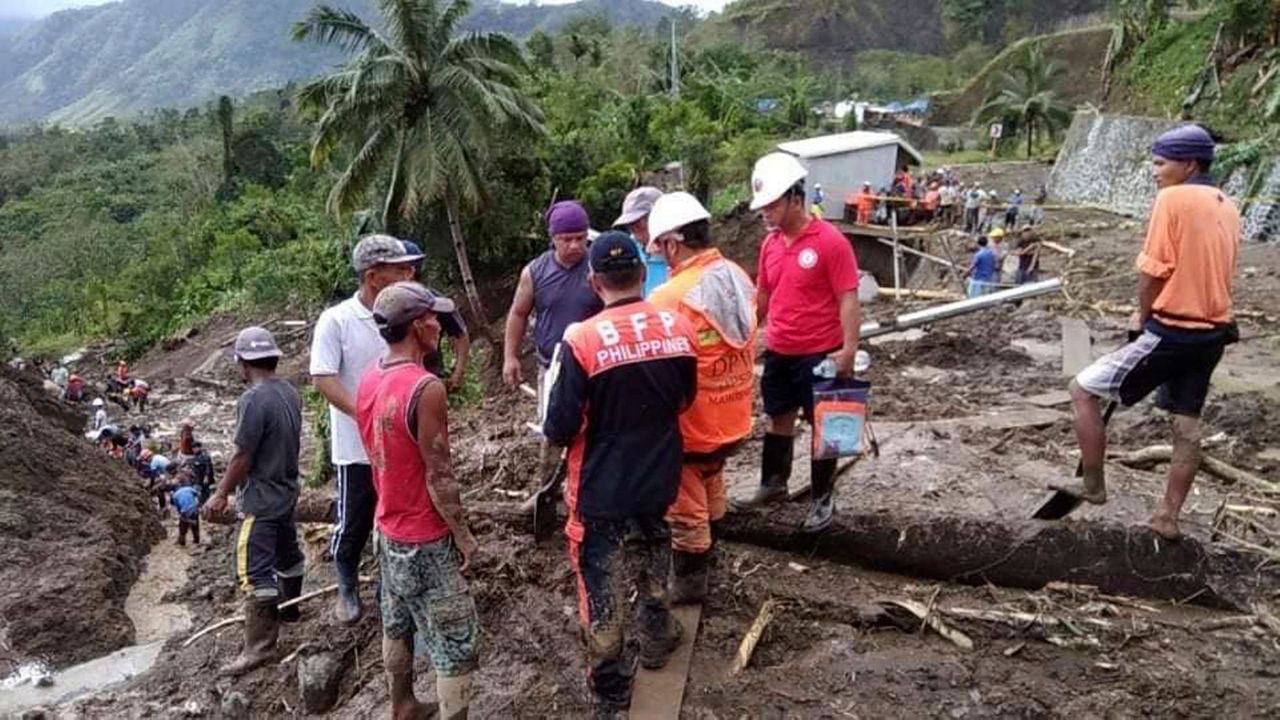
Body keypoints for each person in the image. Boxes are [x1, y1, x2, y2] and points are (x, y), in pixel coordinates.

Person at [542, 232, 698, 716]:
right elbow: (685, 400)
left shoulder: (582, 340)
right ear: (639, 273)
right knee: (654, 542)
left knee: (599, 579)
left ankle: (610, 687)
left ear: (594, 281)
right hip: (659, 470)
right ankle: (656, 631)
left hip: (601, 484)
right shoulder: (678, 327)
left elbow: (560, 426)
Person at [1061, 125, 1240, 540]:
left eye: (1161, 163)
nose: (1154, 171)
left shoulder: (1172, 199)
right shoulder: (1227, 204)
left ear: (1189, 164)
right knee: (1186, 425)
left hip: (1173, 328)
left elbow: (1153, 270)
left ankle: (1092, 485)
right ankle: (1167, 516)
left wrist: (1141, 317)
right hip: (1213, 332)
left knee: (1082, 390)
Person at [356, 282, 482, 719]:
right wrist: (464, 537)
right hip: (424, 538)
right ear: (415, 327)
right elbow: (440, 474)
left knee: (397, 620)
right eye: (432, 318)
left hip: (386, 529)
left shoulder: (370, 377)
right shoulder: (425, 388)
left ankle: (402, 704)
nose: (439, 326)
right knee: (456, 638)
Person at [738, 152, 862, 534]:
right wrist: (745, 335)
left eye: (771, 204)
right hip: (780, 349)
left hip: (820, 351)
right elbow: (764, 295)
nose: (765, 213)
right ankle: (773, 482)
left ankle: (823, 499)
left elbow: (848, 296)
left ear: (795, 198)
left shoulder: (830, 242)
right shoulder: (771, 245)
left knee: (830, 426)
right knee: (778, 417)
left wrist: (849, 349)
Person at [646, 192, 757, 603]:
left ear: (672, 244)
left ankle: (691, 582)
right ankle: (716, 541)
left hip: (691, 427)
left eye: (661, 248)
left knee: (685, 505)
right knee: (712, 480)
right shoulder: (738, 276)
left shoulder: (669, 298)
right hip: (734, 416)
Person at [310, 234, 423, 624]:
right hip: (357, 444)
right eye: (401, 269)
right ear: (374, 277)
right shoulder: (338, 320)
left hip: (400, 441)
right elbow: (323, 377)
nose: (410, 274)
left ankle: (390, 584)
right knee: (354, 517)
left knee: (396, 513)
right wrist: (366, 413)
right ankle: (346, 583)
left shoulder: (406, 315)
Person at [203, 326, 306, 675]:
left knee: (254, 572)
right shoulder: (289, 392)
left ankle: (259, 647)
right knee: (289, 555)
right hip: (287, 492)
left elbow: (243, 455)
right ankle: (291, 608)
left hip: (260, 501)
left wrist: (220, 494)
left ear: (242, 364)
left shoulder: (252, 399)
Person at [502, 200, 604, 474]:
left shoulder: (598, 267)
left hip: (595, 365)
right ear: (553, 238)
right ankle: (548, 489)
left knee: (598, 429)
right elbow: (518, 313)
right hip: (553, 368)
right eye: (566, 239)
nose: (574, 246)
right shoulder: (535, 272)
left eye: (580, 238)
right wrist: (510, 356)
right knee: (553, 429)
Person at [401, 240, 473, 393]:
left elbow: (459, 334)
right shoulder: (384, 303)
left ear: (410, 271)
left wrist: (458, 372)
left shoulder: (434, 301)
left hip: (428, 378)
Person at [613, 186, 668, 297]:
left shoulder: (679, 250)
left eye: (641, 222)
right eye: (630, 224)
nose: (634, 228)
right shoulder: (630, 250)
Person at [172, 479, 201, 547]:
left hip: (184, 511)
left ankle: (182, 542)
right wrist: (198, 504)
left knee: (182, 528)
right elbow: (197, 494)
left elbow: (178, 507)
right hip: (194, 508)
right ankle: (196, 541)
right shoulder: (189, 488)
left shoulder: (175, 495)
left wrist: (181, 514)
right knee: (195, 526)